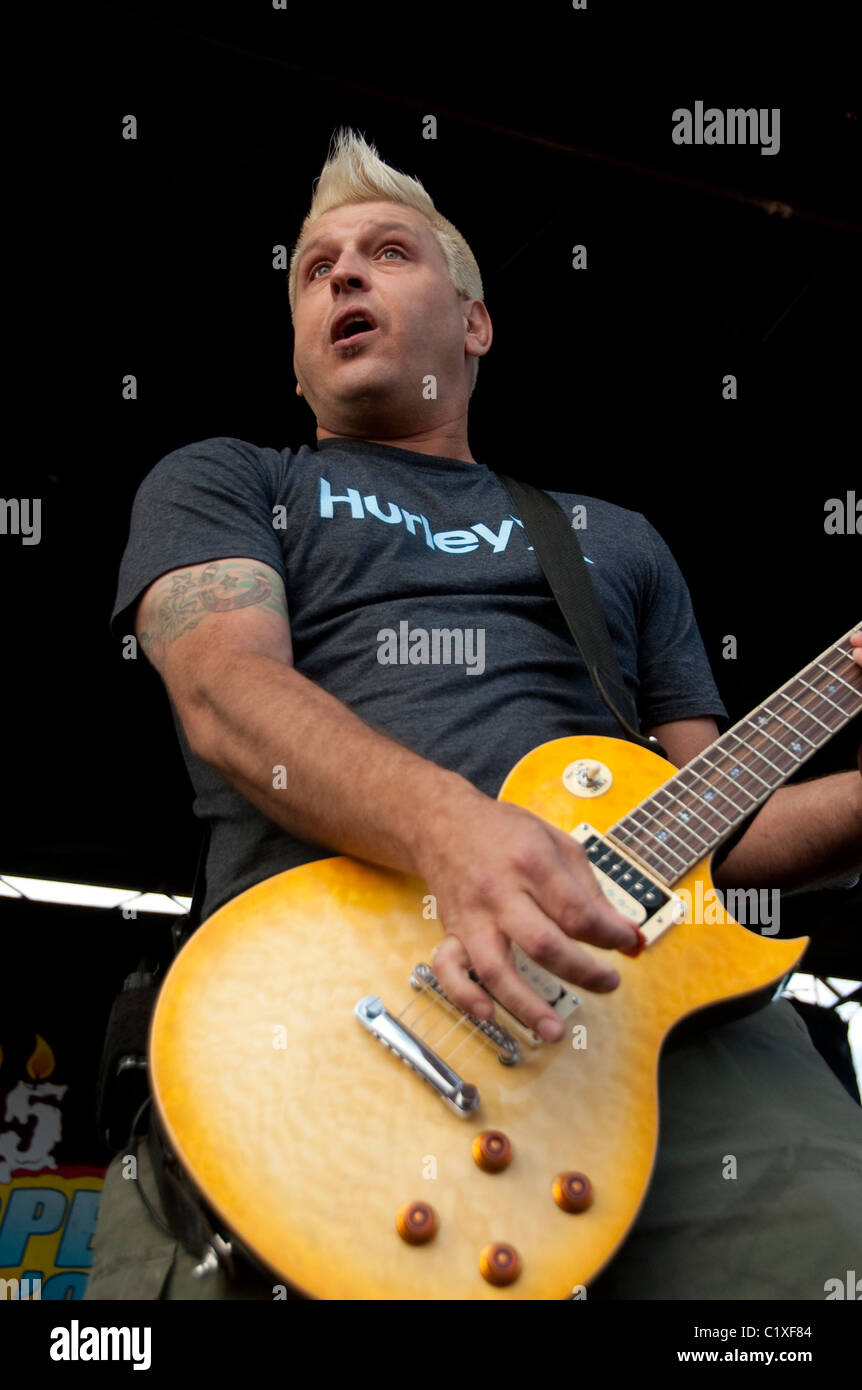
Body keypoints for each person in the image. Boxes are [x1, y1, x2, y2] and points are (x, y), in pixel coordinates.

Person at [85, 128, 862, 1301]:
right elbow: (224, 695)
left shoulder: (617, 539)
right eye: (313, 268)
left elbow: (720, 832)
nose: (342, 274)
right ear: (296, 357)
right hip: (342, 1000)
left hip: (659, 1017)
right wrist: (453, 829)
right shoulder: (232, 481)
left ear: (474, 322)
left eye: (386, 252)